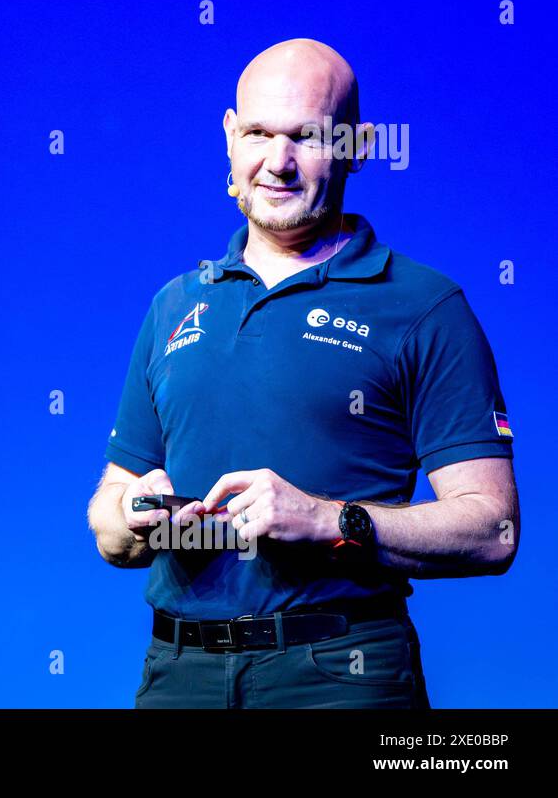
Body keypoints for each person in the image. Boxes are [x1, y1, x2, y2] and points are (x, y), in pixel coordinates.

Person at [86, 39, 519, 708]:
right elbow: (110, 516)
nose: (277, 163)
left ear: (358, 145)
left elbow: (494, 531)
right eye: (258, 133)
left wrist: (328, 520)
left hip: (338, 675)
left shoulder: (424, 306)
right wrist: (129, 516)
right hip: (176, 674)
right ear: (230, 137)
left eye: (307, 137)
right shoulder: (175, 303)